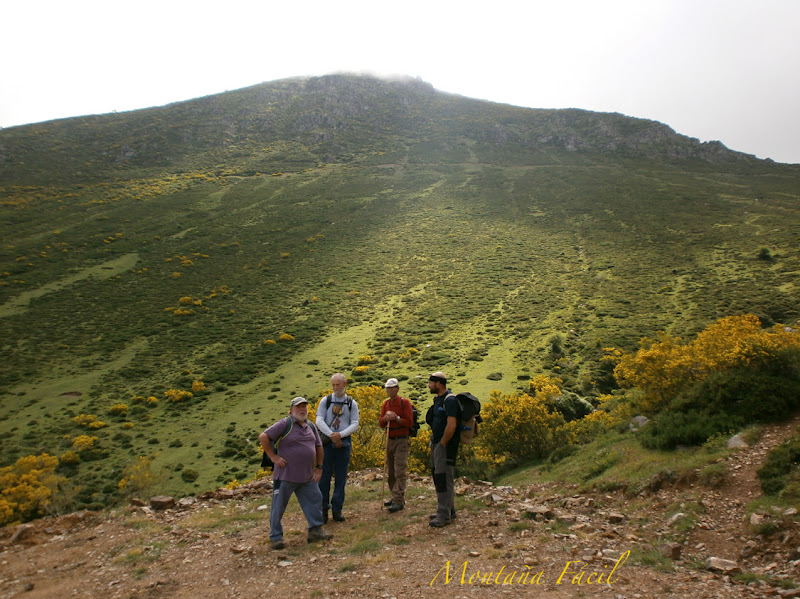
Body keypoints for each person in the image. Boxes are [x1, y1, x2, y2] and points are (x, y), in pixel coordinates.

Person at [259, 396, 332, 550]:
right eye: (298, 407)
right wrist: (273, 457)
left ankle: (315, 531)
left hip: (307, 476)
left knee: (315, 499)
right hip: (286, 476)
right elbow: (264, 436)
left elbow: (319, 446)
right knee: (278, 507)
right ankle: (276, 538)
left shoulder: (311, 426)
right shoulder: (285, 424)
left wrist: (319, 467)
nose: (302, 409)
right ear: (291, 410)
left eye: (304, 407)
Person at [316, 373, 360, 523]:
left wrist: (340, 435)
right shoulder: (326, 400)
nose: (335, 388)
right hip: (327, 443)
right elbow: (319, 419)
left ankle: (337, 510)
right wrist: (332, 435)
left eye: (338, 384)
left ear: (345, 384)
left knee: (341, 478)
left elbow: (355, 423)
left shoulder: (351, 403)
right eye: (333, 385)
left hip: (344, 442)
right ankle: (323, 510)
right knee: (324, 478)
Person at [427, 371, 460, 528]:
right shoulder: (438, 399)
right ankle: (449, 510)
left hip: (445, 446)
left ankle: (443, 515)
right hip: (437, 443)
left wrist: (443, 443)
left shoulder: (450, 400)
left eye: (431, 383)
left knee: (443, 478)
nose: (429, 385)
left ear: (438, 384)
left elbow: (451, 425)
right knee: (438, 476)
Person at [379, 377, 414, 513]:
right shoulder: (385, 404)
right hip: (390, 439)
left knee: (400, 469)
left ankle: (398, 499)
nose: (389, 390)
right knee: (391, 471)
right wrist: (386, 418)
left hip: (401, 439)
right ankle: (395, 496)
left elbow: (409, 422)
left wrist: (397, 418)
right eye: (388, 388)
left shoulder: (404, 402)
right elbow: (381, 423)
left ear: (397, 388)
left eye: (392, 387)